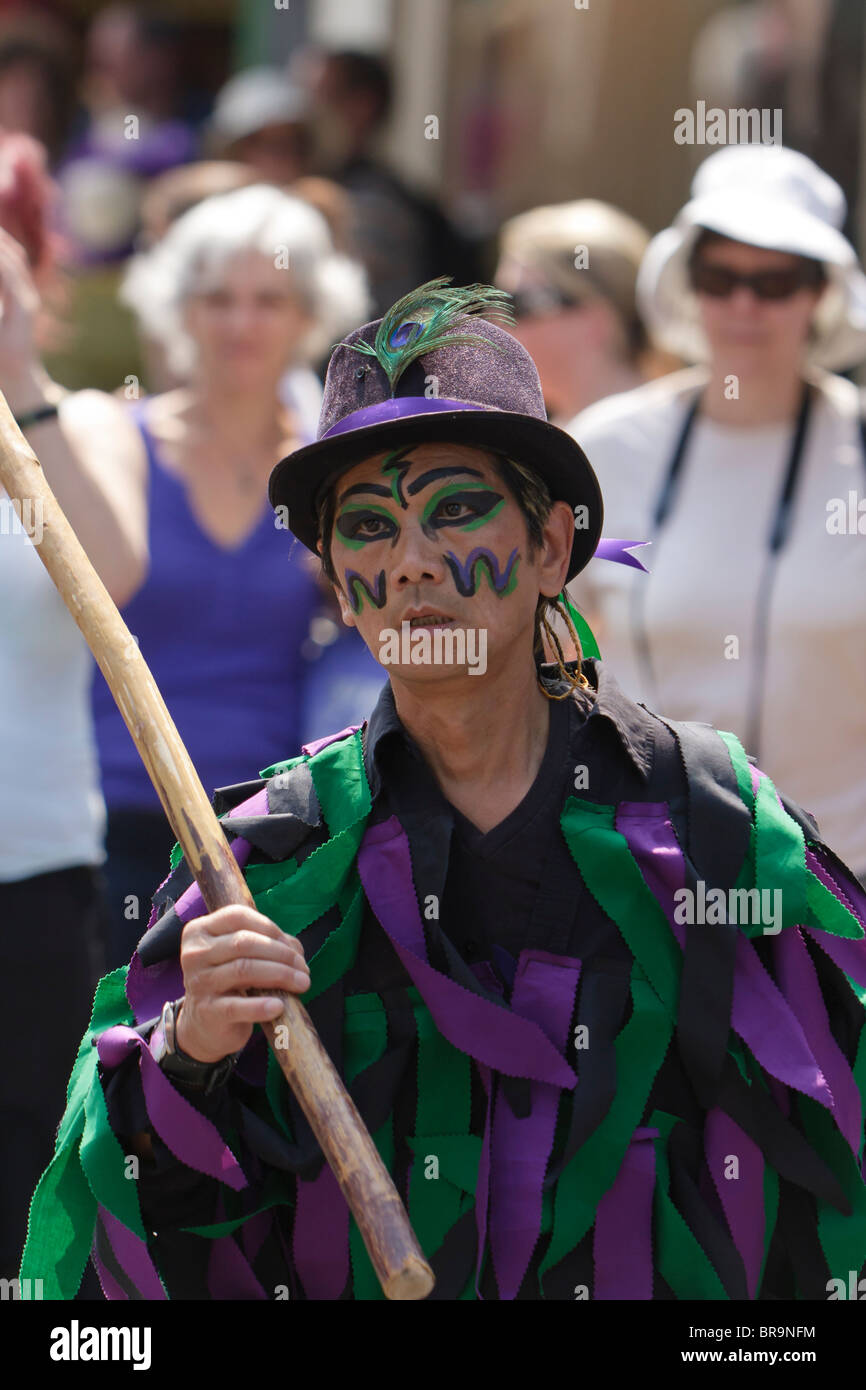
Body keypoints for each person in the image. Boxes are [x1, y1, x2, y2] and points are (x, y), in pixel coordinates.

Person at [23, 279, 866, 1301]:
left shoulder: (712, 821)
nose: (412, 563)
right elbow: (125, 1213)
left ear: (551, 545)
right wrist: (189, 1049)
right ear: (336, 578)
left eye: (457, 512)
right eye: (368, 527)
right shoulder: (269, 860)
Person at [567, 145, 866, 881]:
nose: (744, 307)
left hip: (840, 885)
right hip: (641, 876)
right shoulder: (607, 447)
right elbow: (535, 645)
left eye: (775, 282)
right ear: (689, 285)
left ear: (821, 293)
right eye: (720, 278)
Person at [93, 183, 372, 970]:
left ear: (308, 313)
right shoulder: (115, 439)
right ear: (179, 309)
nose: (242, 323)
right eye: (217, 298)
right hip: (113, 823)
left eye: (269, 299)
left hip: (269, 832)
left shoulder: (335, 469)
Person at [0, 133, 147, 1284]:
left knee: (26, 1183)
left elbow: (107, 569)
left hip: (36, 869)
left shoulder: (85, 421)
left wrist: (18, 375)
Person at [306, 49, 481, 315]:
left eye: (319, 98)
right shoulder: (317, 179)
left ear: (362, 105)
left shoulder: (380, 208)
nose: (306, 112)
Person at [494, 199, 653, 424]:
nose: (494, 321)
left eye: (518, 305)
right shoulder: (550, 441)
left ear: (597, 318)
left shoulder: (661, 437)